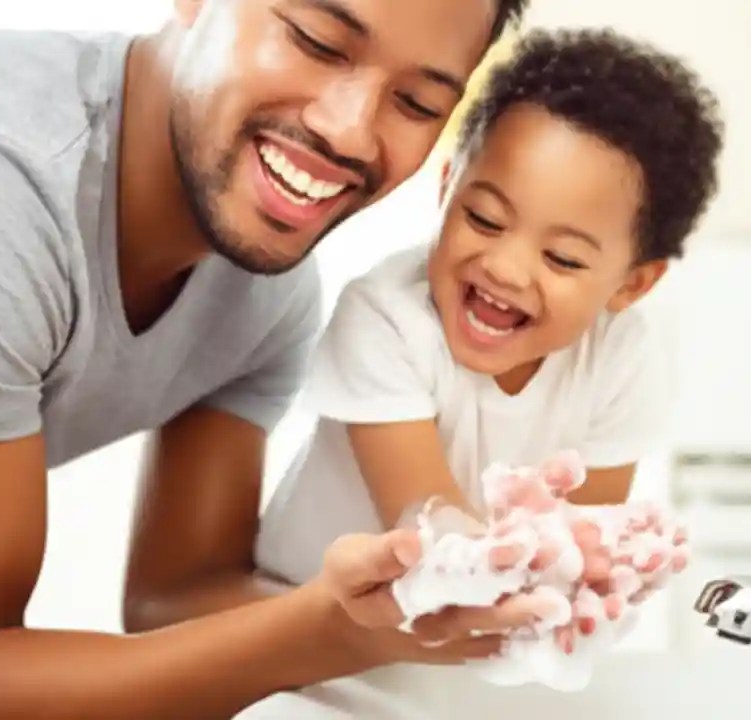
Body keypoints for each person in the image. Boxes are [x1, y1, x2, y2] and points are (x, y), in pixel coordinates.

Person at [0, 0, 557, 717]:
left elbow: (177, 598)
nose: (348, 130)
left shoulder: (268, 297)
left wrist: (426, 593)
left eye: (415, 103)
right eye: (317, 42)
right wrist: (337, 629)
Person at [250, 28, 724, 717]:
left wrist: (596, 569)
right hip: (311, 652)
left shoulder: (622, 357)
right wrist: (527, 555)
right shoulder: (385, 317)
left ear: (632, 284)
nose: (504, 268)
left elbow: (579, 548)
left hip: (463, 655)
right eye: (483, 217)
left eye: (562, 259)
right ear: (447, 186)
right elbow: (424, 521)